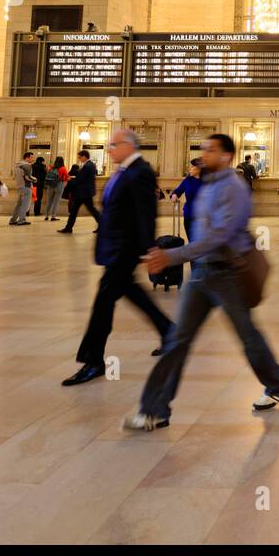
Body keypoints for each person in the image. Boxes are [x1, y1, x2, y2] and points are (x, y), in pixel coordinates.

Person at [129, 133, 279, 430]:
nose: (204, 153)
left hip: (228, 273)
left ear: (227, 155)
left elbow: (218, 236)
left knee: (248, 336)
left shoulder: (234, 187)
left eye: (211, 149)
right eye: (203, 148)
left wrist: (173, 256)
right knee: (179, 339)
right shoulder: (207, 183)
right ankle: (155, 409)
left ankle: (278, 383)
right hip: (203, 272)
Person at [63, 130, 174, 386]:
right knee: (132, 293)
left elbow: (146, 213)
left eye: (113, 145)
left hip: (126, 250)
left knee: (103, 303)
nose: (109, 149)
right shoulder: (124, 170)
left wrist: (149, 248)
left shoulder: (140, 172)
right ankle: (169, 331)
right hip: (115, 248)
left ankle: (93, 361)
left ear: (128, 145)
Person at [59, 151, 101, 233]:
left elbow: (81, 179)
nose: (79, 159)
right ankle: (68, 227)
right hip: (85, 192)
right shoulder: (90, 165)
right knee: (80, 210)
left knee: (76, 210)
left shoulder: (87, 166)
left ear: (84, 156)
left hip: (83, 193)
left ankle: (68, 228)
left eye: (79, 157)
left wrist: (71, 180)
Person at [8, 152, 35, 225]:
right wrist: (35, 179)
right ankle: (22, 220)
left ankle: (13, 220)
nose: (33, 159)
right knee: (25, 204)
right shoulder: (27, 166)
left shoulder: (18, 165)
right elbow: (28, 177)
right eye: (32, 157)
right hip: (26, 186)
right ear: (27, 157)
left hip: (19, 186)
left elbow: (14, 176)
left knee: (19, 204)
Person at [43, 155, 69, 221]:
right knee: (56, 202)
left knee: (49, 201)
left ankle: (46, 216)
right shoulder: (63, 168)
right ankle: (53, 216)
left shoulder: (51, 167)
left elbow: (47, 175)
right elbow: (66, 177)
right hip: (59, 185)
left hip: (50, 185)